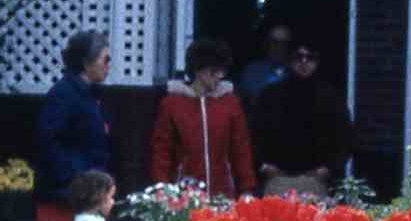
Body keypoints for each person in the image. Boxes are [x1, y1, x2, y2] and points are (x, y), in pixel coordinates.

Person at [35, 30, 112, 221]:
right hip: (60, 201)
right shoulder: (62, 95)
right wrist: (77, 183)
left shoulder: (90, 96)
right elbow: (47, 144)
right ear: (86, 63)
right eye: (105, 59)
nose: (109, 65)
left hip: (82, 199)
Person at [150, 37, 256, 198]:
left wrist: (247, 188)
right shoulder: (172, 104)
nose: (219, 76)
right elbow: (162, 150)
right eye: (214, 71)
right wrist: (161, 188)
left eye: (222, 71)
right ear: (198, 70)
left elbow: (241, 148)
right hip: (183, 195)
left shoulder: (230, 103)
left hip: (224, 193)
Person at [254, 43, 352, 197]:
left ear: (317, 61)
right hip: (278, 179)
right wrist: (262, 166)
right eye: (298, 57)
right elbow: (254, 132)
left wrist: (330, 168)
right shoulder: (270, 96)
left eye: (310, 57)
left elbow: (345, 137)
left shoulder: (331, 98)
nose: (304, 62)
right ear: (289, 60)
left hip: (315, 181)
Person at [238, 21, 293, 106]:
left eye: (284, 43)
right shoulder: (251, 71)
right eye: (275, 42)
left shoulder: (297, 72)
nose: (279, 47)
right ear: (267, 44)